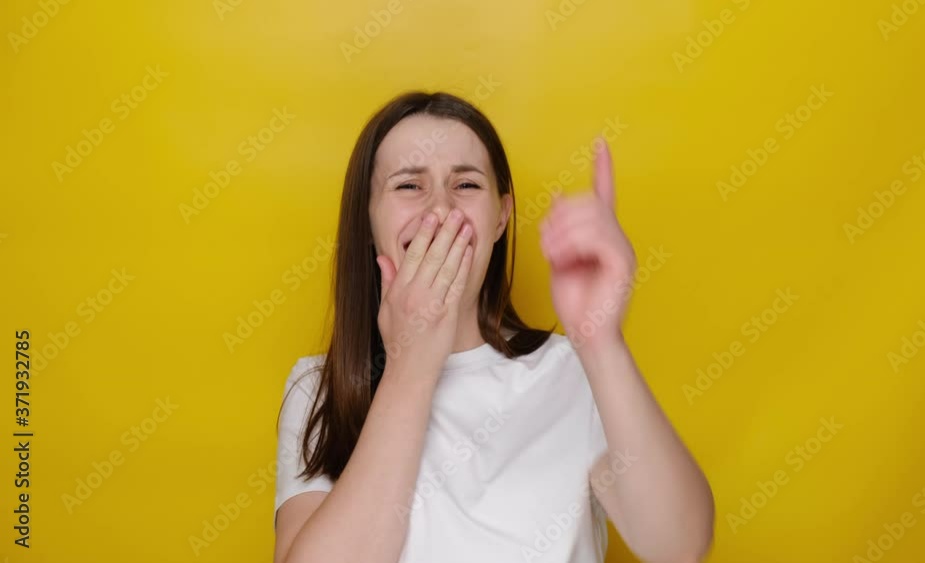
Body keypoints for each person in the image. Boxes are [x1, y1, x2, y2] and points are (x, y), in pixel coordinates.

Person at [272, 91, 714, 563]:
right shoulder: (318, 388)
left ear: (501, 216)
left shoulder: (571, 372)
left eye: (465, 185)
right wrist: (409, 367)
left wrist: (601, 343)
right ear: (368, 218)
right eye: (408, 186)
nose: (440, 210)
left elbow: (679, 546)